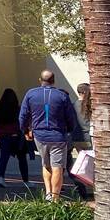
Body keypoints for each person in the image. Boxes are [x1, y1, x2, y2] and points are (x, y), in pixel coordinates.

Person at [19, 69, 80, 202]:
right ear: (53, 80)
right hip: (58, 135)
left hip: (39, 135)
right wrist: (69, 129)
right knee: (57, 166)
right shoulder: (62, 96)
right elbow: (71, 117)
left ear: (40, 80)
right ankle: (55, 198)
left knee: (46, 164)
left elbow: (23, 115)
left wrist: (24, 130)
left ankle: (48, 192)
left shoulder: (31, 94)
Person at [0, 88, 30, 188]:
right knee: (22, 157)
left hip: (2, 134)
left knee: (3, 156)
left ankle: (1, 176)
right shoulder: (16, 108)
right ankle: (26, 180)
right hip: (16, 134)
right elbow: (21, 120)